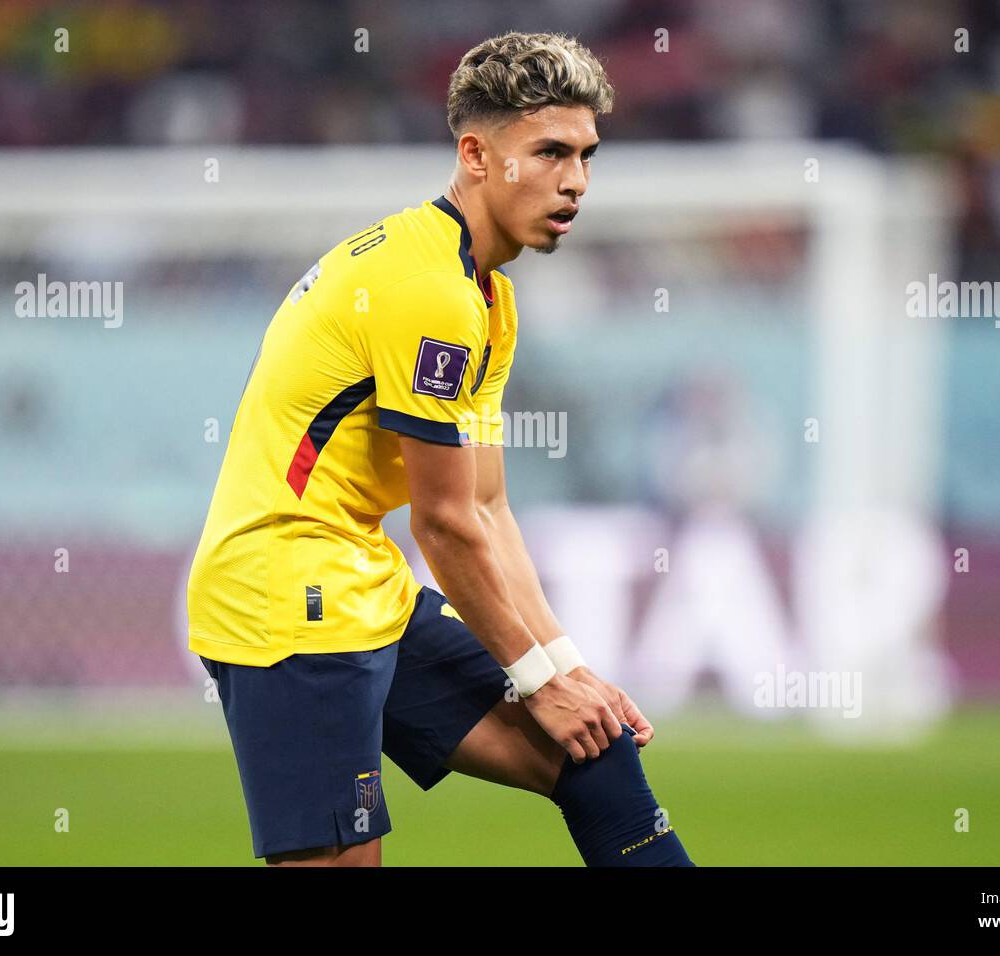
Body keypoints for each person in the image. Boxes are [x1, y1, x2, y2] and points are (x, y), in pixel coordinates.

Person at [187, 30, 693, 867]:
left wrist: (568, 670)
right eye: (551, 152)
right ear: (476, 155)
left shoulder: (484, 295)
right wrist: (538, 683)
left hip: (359, 582)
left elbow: (489, 508)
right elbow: (447, 524)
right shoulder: (430, 295)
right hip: (286, 603)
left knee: (595, 754)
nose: (575, 181)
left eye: (587, 156)